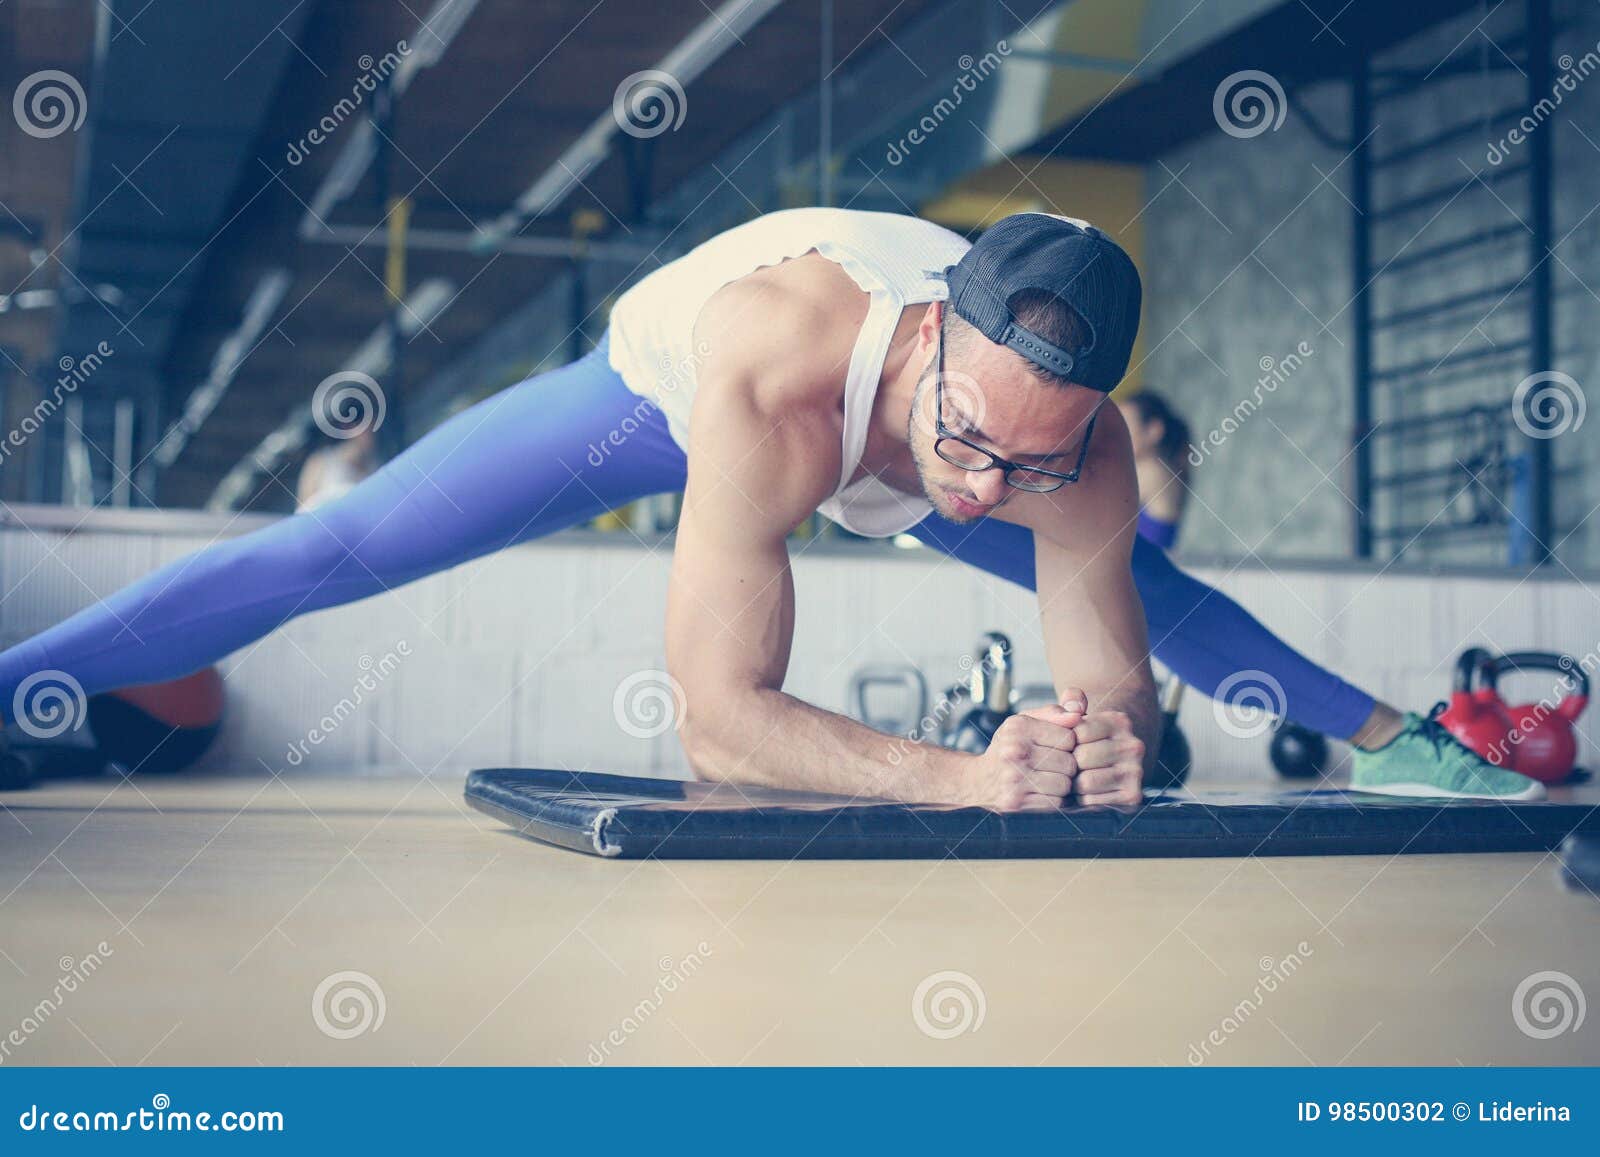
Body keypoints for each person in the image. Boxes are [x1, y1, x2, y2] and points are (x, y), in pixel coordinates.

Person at [0, 209, 1539, 806]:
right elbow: (718, 724)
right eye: (973, 445)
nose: (983, 492)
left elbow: (1113, 659)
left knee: (1158, 595)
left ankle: (1403, 746)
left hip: (878, 422)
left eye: (1033, 462)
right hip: (658, 397)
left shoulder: (1047, 448)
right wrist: (959, 778)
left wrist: (1096, 734)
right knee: (342, 547)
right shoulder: (774, 364)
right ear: (932, 330)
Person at [1118, 390, 1190, 551]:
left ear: (1153, 430)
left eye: (1126, 426)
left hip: (1144, 570)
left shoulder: (1153, 471)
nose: (1117, 435)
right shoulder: (1165, 468)